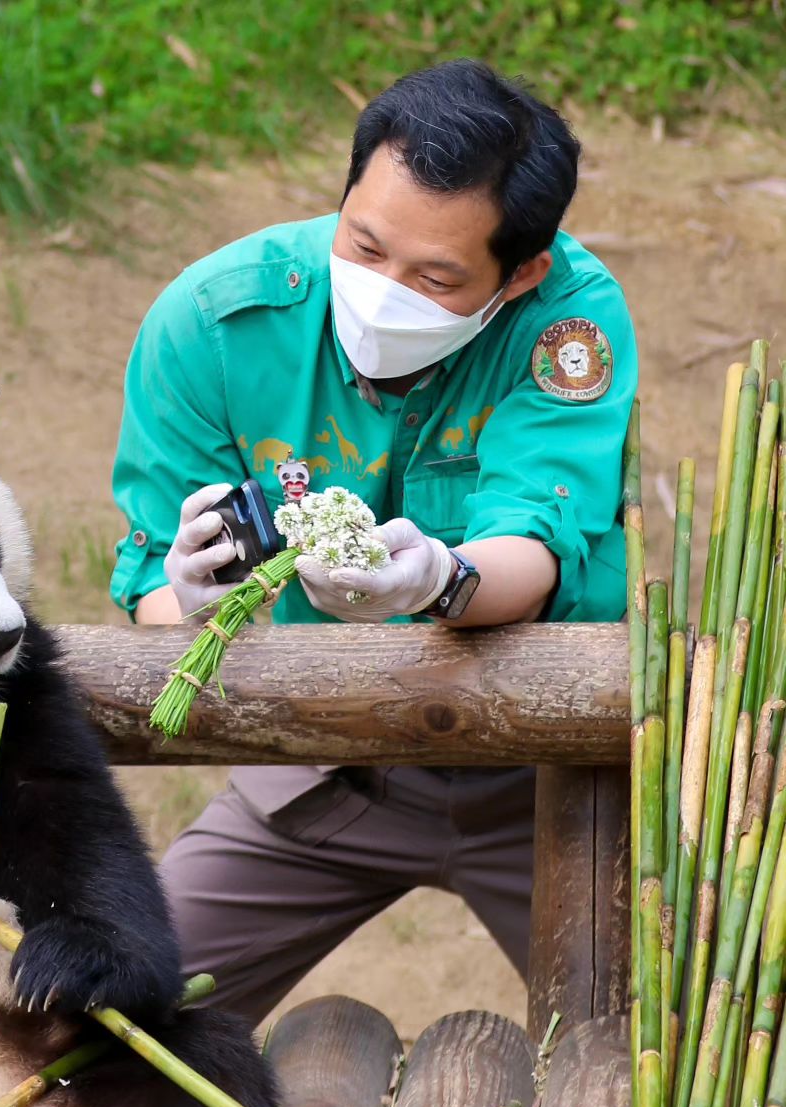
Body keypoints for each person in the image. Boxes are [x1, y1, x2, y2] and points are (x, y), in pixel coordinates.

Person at [109, 59, 637, 1024]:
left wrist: (440, 578)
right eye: (364, 245)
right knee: (118, 1021)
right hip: (325, 762)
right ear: (345, 196)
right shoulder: (214, 321)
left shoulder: (566, 322)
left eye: (437, 277)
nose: (385, 291)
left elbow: (538, 542)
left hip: (545, 760)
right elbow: (151, 581)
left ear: (519, 273)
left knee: (654, 1045)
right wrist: (184, 597)